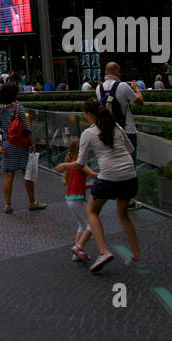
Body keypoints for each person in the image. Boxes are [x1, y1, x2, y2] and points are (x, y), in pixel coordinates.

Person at [62, 98, 142, 272]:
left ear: (89, 115)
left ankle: (103, 251)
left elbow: (80, 163)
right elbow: (131, 150)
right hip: (130, 176)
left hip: (109, 177)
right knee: (123, 214)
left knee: (92, 211)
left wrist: (64, 166)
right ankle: (136, 254)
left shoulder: (89, 133)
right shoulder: (116, 127)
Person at [0, 83, 46, 212]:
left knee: (9, 175)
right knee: (27, 174)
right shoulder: (19, 108)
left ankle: (8, 205)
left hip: (8, 144)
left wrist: (1, 146)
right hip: (22, 144)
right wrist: (33, 144)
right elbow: (26, 128)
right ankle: (32, 202)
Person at [56, 135, 96, 262]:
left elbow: (77, 182)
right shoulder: (80, 164)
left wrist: (88, 186)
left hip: (70, 199)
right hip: (78, 199)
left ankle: (76, 254)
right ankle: (78, 247)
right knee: (92, 225)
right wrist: (109, 176)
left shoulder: (71, 164)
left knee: (81, 225)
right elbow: (93, 174)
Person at [96, 62, 143, 165]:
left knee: (115, 164)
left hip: (110, 132)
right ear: (117, 71)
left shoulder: (99, 89)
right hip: (127, 130)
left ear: (105, 72)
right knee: (130, 164)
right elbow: (140, 102)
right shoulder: (123, 86)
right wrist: (136, 89)